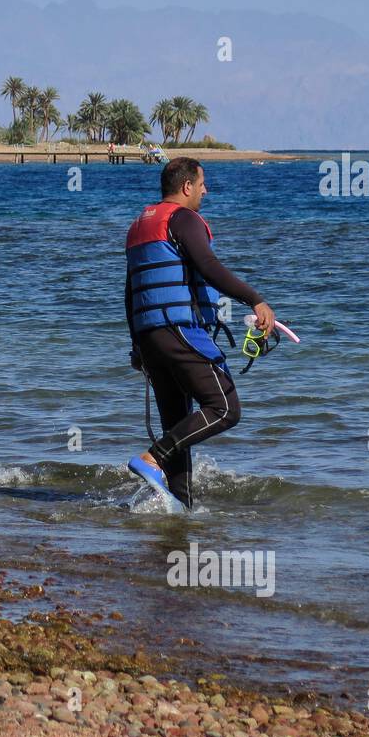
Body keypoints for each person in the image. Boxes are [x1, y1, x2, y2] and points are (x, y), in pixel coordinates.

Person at [125, 157, 274, 507]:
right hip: (177, 331)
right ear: (187, 186)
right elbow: (208, 267)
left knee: (179, 425)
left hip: (150, 337)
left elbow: (130, 291)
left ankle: (178, 510)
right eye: (202, 184)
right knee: (225, 408)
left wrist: (137, 345)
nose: (206, 191)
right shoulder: (182, 219)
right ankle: (152, 457)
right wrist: (256, 300)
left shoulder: (139, 226)